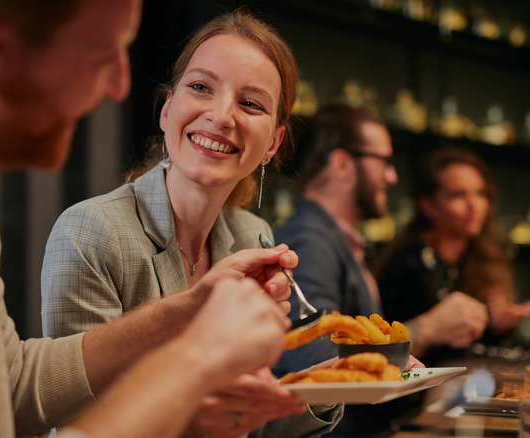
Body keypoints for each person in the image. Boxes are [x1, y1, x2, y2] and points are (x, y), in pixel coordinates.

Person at [0, 1, 303, 437]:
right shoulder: (90, 228)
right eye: (101, 54)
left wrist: (190, 309)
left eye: (250, 103)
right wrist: (192, 369)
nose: (119, 85)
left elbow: (10, 386)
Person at [40, 10, 342, 438]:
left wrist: (330, 383)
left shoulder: (250, 237)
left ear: (272, 143)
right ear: (167, 109)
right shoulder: (90, 232)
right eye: (201, 87)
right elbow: (84, 423)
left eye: (250, 104)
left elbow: (244, 423)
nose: (221, 116)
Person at [271, 103, 419, 437]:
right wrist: (428, 328)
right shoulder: (309, 239)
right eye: (383, 162)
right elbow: (311, 355)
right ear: (341, 164)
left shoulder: (332, 237)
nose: (392, 176)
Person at [375, 146, 530, 367]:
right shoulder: (407, 263)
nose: (474, 205)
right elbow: (384, 350)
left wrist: (498, 327)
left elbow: (474, 350)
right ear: (428, 205)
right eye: (457, 194)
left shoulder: (486, 257)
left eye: (480, 193)